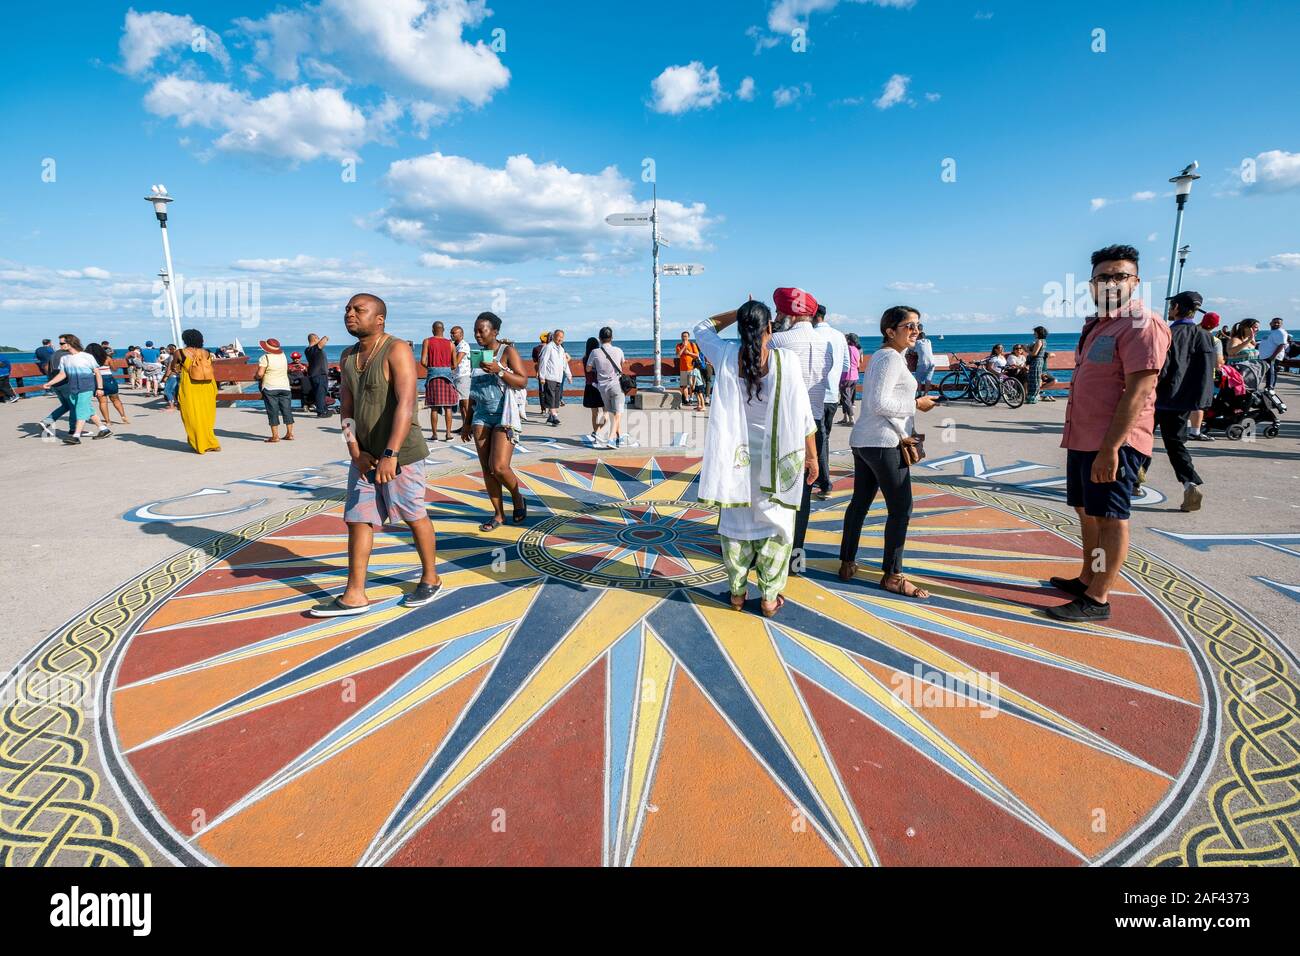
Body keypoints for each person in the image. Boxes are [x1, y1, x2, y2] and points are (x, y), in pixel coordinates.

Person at [1046, 244, 1169, 622]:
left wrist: (1112, 447)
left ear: (1136, 281)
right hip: (1083, 437)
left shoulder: (1141, 324)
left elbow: (1139, 390)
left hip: (1113, 442)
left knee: (1112, 516)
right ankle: (1088, 577)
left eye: (1120, 276)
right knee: (1087, 512)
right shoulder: (1099, 323)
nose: (1111, 283)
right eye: (1104, 277)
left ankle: (1098, 598)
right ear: (1091, 284)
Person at [310, 293, 440, 616]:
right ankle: (354, 594)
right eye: (347, 310)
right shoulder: (348, 356)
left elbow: (407, 403)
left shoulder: (396, 349)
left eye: (358, 310)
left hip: (401, 454)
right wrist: (354, 450)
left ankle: (431, 577)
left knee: (413, 514)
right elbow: (347, 409)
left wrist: (391, 453)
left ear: (379, 319)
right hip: (365, 456)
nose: (349, 314)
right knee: (358, 520)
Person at [695, 299, 818, 617]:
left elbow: (702, 328)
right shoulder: (786, 361)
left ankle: (737, 593)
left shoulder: (724, 355)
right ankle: (768, 597)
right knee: (776, 527)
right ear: (770, 328)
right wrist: (813, 457)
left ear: (740, 327)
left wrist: (736, 311)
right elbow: (804, 417)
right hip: (776, 458)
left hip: (735, 461)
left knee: (736, 524)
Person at [838, 306, 939, 598]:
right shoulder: (889, 358)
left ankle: (847, 562)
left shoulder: (886, 357)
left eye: (919, 326)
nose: (916, 331)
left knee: (860, 504)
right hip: (883, 444)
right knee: (901, 509)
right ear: (890, 331)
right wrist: (916, 405)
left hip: (867, 442)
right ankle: (893, 575)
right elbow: (878, 403)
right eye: (909, 326)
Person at [769, 286, 835, 574]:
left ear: (786, 313)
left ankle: (770, 551)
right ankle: (797, 558)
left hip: (783, 423)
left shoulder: (776, 340)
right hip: (816, 422)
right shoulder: (829, 342)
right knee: (805, 493)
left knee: (774, 492)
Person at [461, 311, 529, 530]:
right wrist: (467, 421)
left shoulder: (507, 352)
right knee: (486, 469)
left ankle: (517, 496)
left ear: (495, 331)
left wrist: (499, 371)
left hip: (504, 414)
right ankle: (498, 515)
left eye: (482, 330)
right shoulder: (477, 355)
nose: (478, 334)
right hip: (481, 415)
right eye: (476, 331)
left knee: (498, 467)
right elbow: (473, 392)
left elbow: (522, 381)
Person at [1154, 291, 1215, 512]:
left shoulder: (1169, 334)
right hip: (1183, 402)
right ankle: (1190, 483)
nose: (1169, 310)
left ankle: (1132, 480)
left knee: (1137, 439)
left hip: (1160, 398)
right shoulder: (1205, 335)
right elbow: (1207, 372)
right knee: (1175, 445)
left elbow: (1161, 368)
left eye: (1172, 307)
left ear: (1178, 308)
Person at [41, 334, 110, 444]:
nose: (60, 345)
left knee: (80, 411)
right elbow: (63, 374)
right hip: (73, 388)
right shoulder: (64, 358)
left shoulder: (86, 356)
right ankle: (104, 430)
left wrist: (100, 388)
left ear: (70, 343)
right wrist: (50, 383)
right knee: (89, 410)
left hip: (86, 387)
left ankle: (76, 436)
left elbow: (97, 372)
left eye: (62, 343)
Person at [812, 304, 850, 501]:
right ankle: (819, 477)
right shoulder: (839, 335)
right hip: (832, 395)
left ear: (813, 316)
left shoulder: (812, 335)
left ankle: (825, 483)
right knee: (823, 438)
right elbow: (845, 365)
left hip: (815, 395)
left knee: (819, 440)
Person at [175, 329, 220, 454]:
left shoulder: (180, 353)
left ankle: (200, 444)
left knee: (191, 416)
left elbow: (174, 367)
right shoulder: (206, 352)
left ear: (185, 340)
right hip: (207, 386)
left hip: (190, 387)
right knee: (207, 416)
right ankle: (211, 442)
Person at [585, 326, 630, 447]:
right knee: (618, 413)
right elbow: (621, 364)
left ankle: (618, 436)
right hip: (616, 386)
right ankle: (611, 439)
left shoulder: (595, 352)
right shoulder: (619, 350)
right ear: (612, 338)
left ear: (600, 338)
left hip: (602, 387)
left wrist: (597, 367)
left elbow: (588, 368)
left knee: (611, 413)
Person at [420, 322, 459, 441]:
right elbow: (455, 364)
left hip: (433, 378)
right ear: (444, 330)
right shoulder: (450, 344)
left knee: (434, 407)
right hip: (447, 378)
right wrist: (445, 369)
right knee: (448, 407)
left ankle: (435, 435)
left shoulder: (427, 341)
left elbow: (423, 361)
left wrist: (433, 368)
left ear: (433, 330)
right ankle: (448, 434)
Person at [1188, 312, 1223, 442]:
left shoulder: (1191, 334)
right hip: (1204, 375)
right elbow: (1218, 363)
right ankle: (1195, 432)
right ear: (1217, 325)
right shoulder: (1214, 340)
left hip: (1185, 373)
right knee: (1199, 404)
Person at [255, 338, 294, 442]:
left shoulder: (265, 357)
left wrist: (256, 377)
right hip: (285, 386)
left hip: (270, 387)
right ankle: (289, 434)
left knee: (273, 411)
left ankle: (275, 436)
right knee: (287, 410)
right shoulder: (283, 356)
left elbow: (260, 374)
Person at [86, 342, 129, 425]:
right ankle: (123, 417)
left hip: (96, 379)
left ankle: (108, 421)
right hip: (108, 379)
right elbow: (114, 369)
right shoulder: (107, 358)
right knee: (116, 399)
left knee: (102, 402)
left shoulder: (88, 360)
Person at [537, 328, 572, 426]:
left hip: (559, 377)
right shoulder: (548, 347)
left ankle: (551, 417)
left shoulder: (561, 349)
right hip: (549, 376)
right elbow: (543, 361)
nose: (560, 339)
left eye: (562, 337)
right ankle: (554, 415)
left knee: (556, 398)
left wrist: (569, 375)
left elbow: (565, 363)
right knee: (551, 396)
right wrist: (542, 376)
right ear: (554, 337)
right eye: (558, 337)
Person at [581, 336, 607, 439]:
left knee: (594, 414)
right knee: (606, 412)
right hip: (600, 386)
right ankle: (597, 432)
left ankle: (596, 432)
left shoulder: (584, 358)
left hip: (589, 387)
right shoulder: (599, 357)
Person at [304, 332, 331, 417]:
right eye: (318, 338)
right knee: (320, 392)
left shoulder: (308, 350)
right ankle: (321, 411)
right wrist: (326, 336)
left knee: (321, 393)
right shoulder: (313, 349)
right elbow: (322, 343)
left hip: (315, 374)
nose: (319, 340)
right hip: (319, 374)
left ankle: (324, 409)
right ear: (315, 338)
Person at [1259, 317, 1290, 389]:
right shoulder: (1272, 332)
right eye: (1274, 322)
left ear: (1281, 324)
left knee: (1271, 373)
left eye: (1278, 323)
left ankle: (1270, 388)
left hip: (1272, 357)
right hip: (1266, 357)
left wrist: (1273, 356)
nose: (1276, 324)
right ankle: (1267, 387)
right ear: (1270, 323)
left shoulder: (1280, 332)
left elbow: (1282, 344)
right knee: (1268, 373)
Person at [450, 324, 471, 428]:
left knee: (465, 402)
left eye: (454, 333)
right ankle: (464, 425)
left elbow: (456, 362)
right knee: (461, 404)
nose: (451, 335)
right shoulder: (454, 345)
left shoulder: (463, 345)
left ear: (461, 334)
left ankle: (469, 426)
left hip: (463, 376)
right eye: (451, 333)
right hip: (456, 376)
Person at [1026, 326, 1054, 403]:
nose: (1034, 334)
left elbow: (1034, 354)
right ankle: (1034, 396)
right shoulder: (1044, 341)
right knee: (1036, 378)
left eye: (1035, 332)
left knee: (1034, 379)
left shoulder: (1039, 341)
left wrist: (1026, 349)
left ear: (1038, 333)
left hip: (1036, 362)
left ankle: (1033, 397)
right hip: (1040, 361)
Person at [676, 331, 702, 410]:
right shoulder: (679, 345)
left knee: (692, 385)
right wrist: (684, 347)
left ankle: (691, 398)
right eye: (683, 336)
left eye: (686, 336)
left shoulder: (692, 344)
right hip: (683, 368)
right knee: (684, 385)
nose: (684, 338)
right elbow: (678, 355)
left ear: (688, 337)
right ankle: (687, 400)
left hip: (692, 368)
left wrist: (688, 353)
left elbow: (697, 355)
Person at [912, 326, 935, 396]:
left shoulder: (917, 342)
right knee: (928, 380)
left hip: (923, 363)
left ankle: (919, 394)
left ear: (918, 337)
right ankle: (926, 394)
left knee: (918, 380)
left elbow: (913, 351)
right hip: (932, 363)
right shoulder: (929, 341)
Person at [161, 345, 180, 410]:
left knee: (167, 391)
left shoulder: (171, 357)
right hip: (177, 375)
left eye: (167, 349)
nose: (166, 350)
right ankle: (177, 404)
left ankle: (171, 406)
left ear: (170, 350)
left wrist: (166, 376)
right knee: (175, 390)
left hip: (171, 375)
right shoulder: (176, 356)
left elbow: (169, 368)